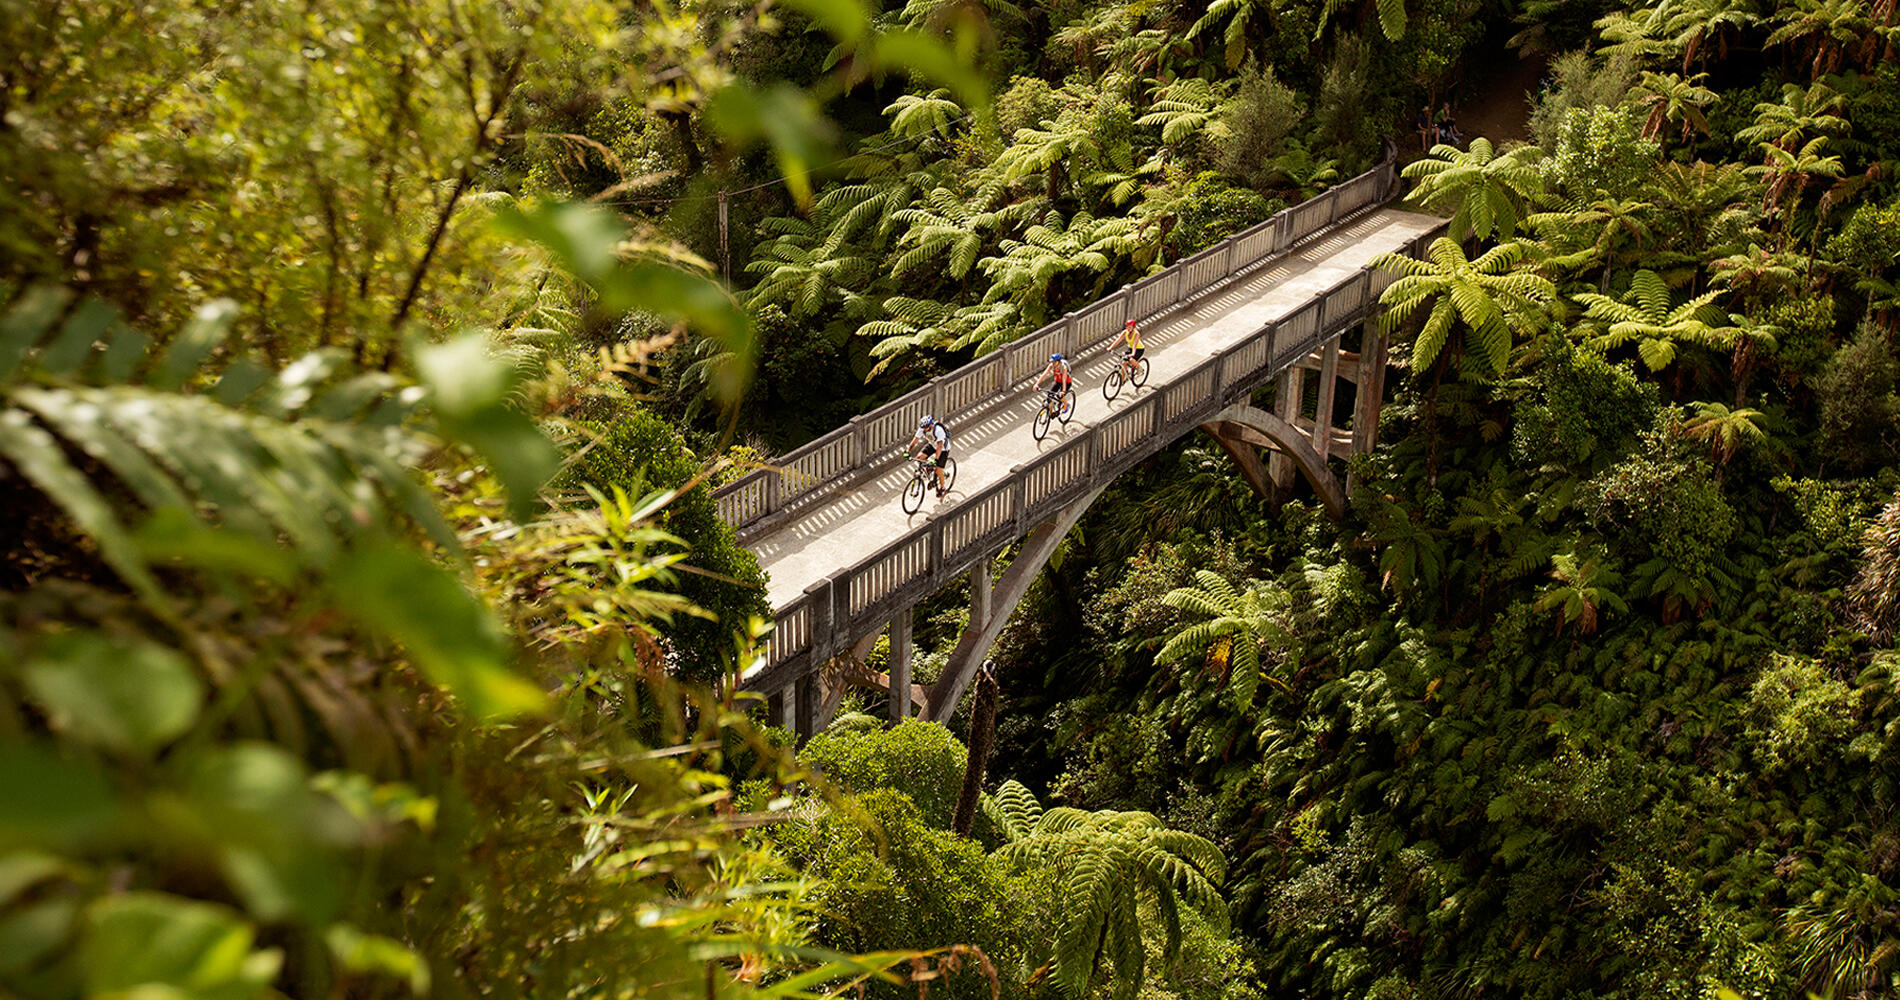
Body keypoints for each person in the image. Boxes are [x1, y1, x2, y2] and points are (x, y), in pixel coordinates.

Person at [908, 414, 951, 497]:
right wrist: (908, 450)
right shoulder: (923, 428)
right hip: (932, 445)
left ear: (930, 425)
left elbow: (939, 446)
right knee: (919, 457)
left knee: (938, 470)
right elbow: (915, 439)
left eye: (926, 428)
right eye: (923, 428)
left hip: (943, 449)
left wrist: (936, 459)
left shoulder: (938, 430)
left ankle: (942, 488)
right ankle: (929, 468)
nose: (924, 430)